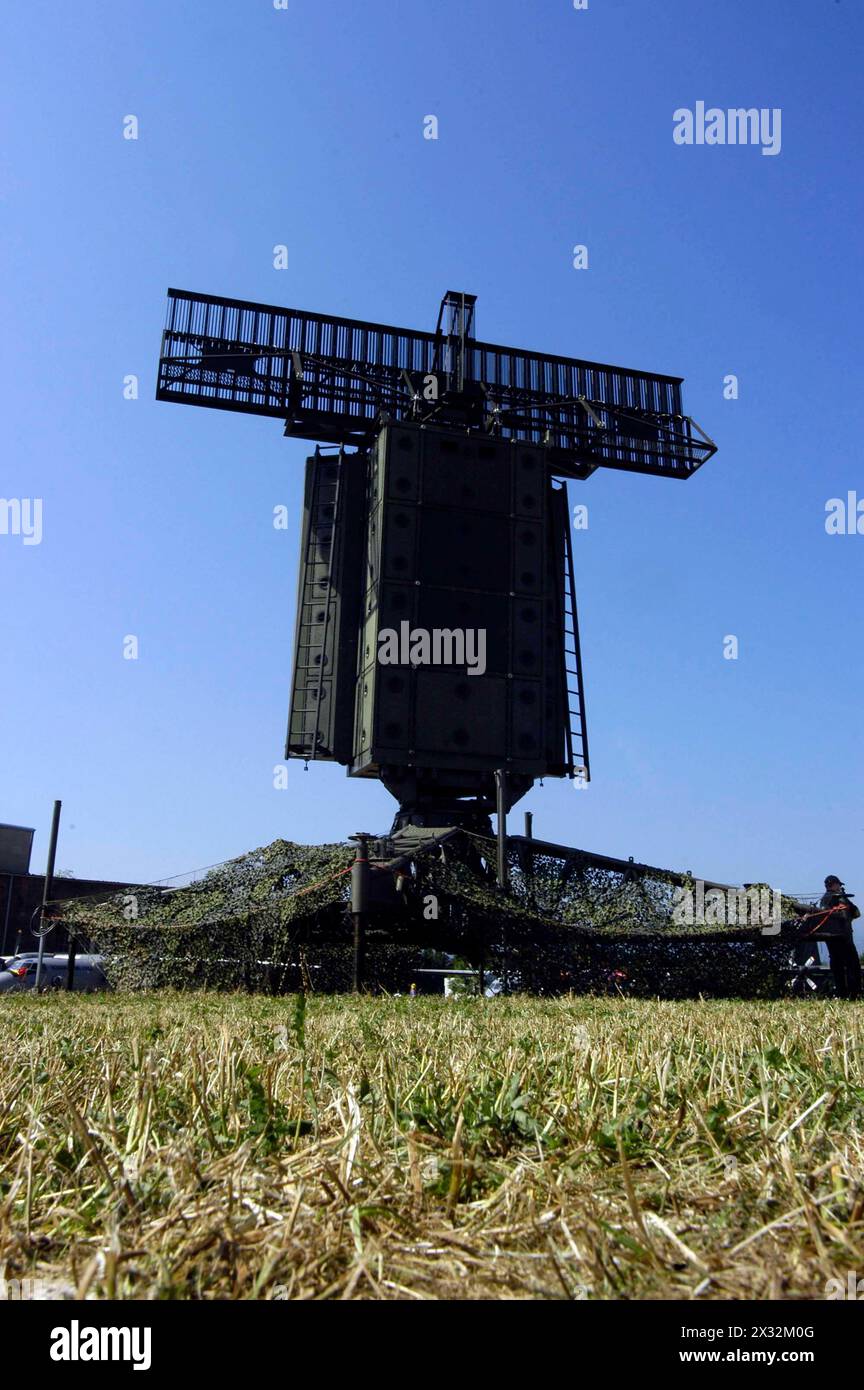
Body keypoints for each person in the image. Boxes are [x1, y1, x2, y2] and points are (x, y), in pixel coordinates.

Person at [801, 876, 861, 1000]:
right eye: (838, 885)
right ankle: (853, 994)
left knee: (837, 966)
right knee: (852, 966)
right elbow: (856, 913)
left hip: (831, 939)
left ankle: (842, 993)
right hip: (844, 938)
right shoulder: (840, 898)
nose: (840, 887)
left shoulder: (824, 900)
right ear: (834, 885)